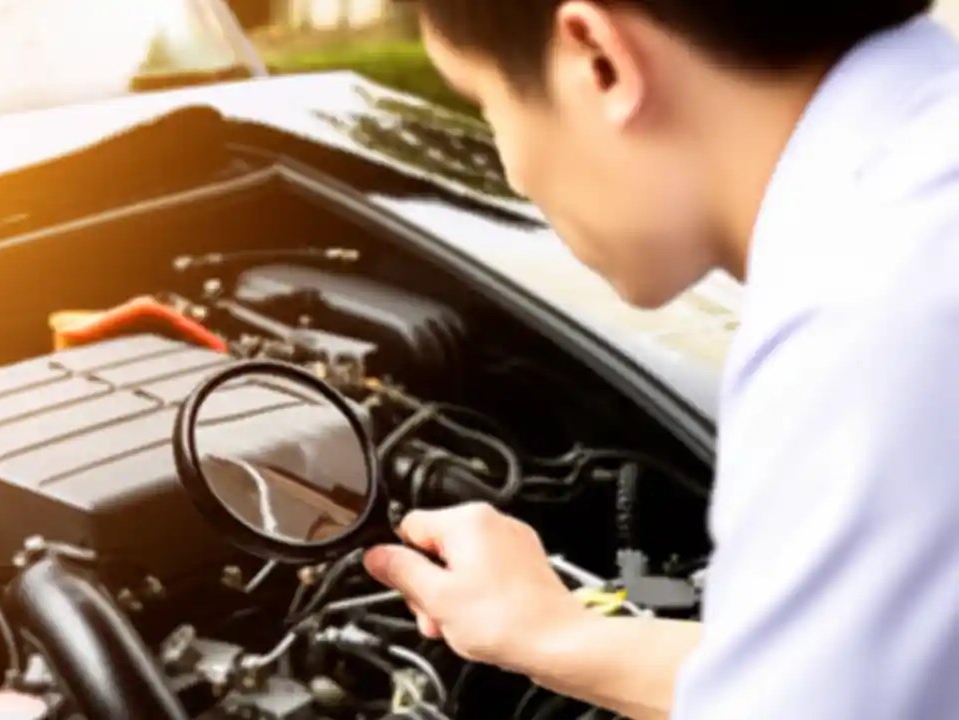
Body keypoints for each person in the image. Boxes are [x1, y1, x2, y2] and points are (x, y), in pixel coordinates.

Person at [362, 1, 959, 718]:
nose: (513, 176)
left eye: (485, 106)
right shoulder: (914, 189)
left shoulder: (865, 325)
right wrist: (552, 634)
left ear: (598, 61)